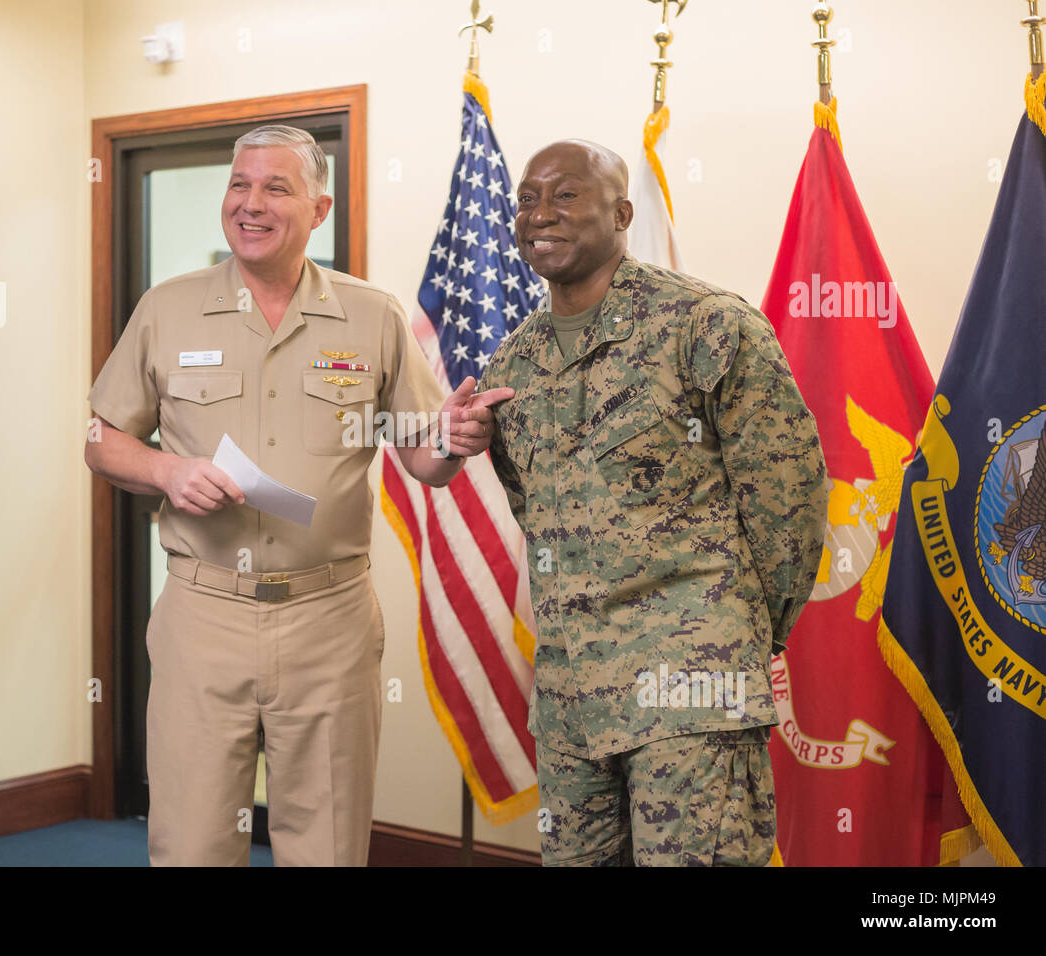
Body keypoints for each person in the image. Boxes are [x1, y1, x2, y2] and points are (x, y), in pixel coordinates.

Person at [84, 125, 511, 866]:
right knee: (189, 842)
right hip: (203, 616)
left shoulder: (372, 315)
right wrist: (167, 472)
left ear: (319, 210)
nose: (250, 204)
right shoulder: (167, 307)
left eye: (275, 188)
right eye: (239, 185)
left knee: (328, 843)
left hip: (330, 622)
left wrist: (452, 440)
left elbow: (420, 454)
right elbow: (100, 440)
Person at [478, 139, 828, 866]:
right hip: (573, 702)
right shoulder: (513, 362)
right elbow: (534, 510)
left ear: (622, 212)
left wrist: (732, 638)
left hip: (692, 691)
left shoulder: (706, 325)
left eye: (566, 195)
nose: (540, 213)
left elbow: (786, 499)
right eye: (526, 198)